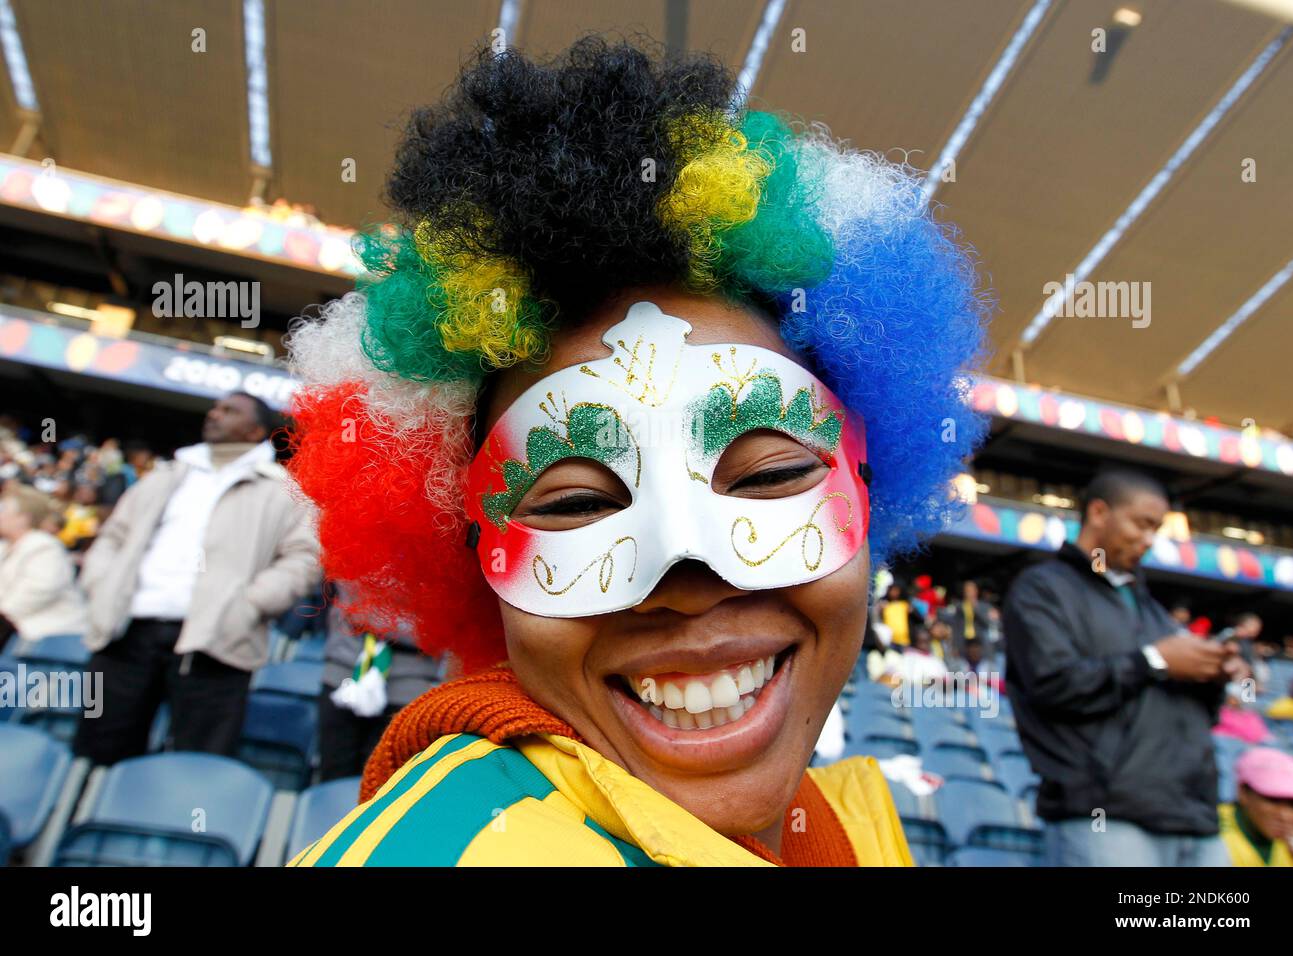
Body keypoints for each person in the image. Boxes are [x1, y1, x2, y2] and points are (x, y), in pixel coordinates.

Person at [285, 37, 987, 866]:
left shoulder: (843, 834)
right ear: (468, 550)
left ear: (871, 488)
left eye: (769, 474)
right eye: (578, 501)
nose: (684, 563)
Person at [1003, 468, 1247, 867]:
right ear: (1099, 512)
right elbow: (1053, 686)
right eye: (1142, 524)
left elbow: (1199, 714)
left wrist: (1211, 674)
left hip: (1195, 819)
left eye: (1157, 529)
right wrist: (1155, 660)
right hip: (1106, 818)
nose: (1149, 540)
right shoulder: (1043, 588)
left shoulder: (1152, 609)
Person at [72, 392, 321, 764]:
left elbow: (305, 556)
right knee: (99, 750)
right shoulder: (167, 475)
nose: (214, 414)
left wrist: (251, 604)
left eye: (229, 411)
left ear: (254, 431)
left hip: (217, 642)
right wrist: (101, 582)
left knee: (197, 762)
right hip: (127, 634)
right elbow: (113, 537)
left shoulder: (282, 490)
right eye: (216, 408)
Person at [318, 585, 443, 781]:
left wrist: (373, 620)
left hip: (410, 686)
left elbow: (442, 620)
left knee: (384, 786)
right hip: (344, 671)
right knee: (333, 777)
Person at [0, 484, 87, 643]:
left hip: (48, 642)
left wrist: (4, 612)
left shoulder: (44, 546)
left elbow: (39, 590)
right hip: (15, 637)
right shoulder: (5, 547)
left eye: (3, 510)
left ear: (24, 517)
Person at [1218, 748, 1293, 867]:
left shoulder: (1292, 842)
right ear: (1243, 792)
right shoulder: (1211, 833)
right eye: (1273, 800)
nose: (1284, 815)